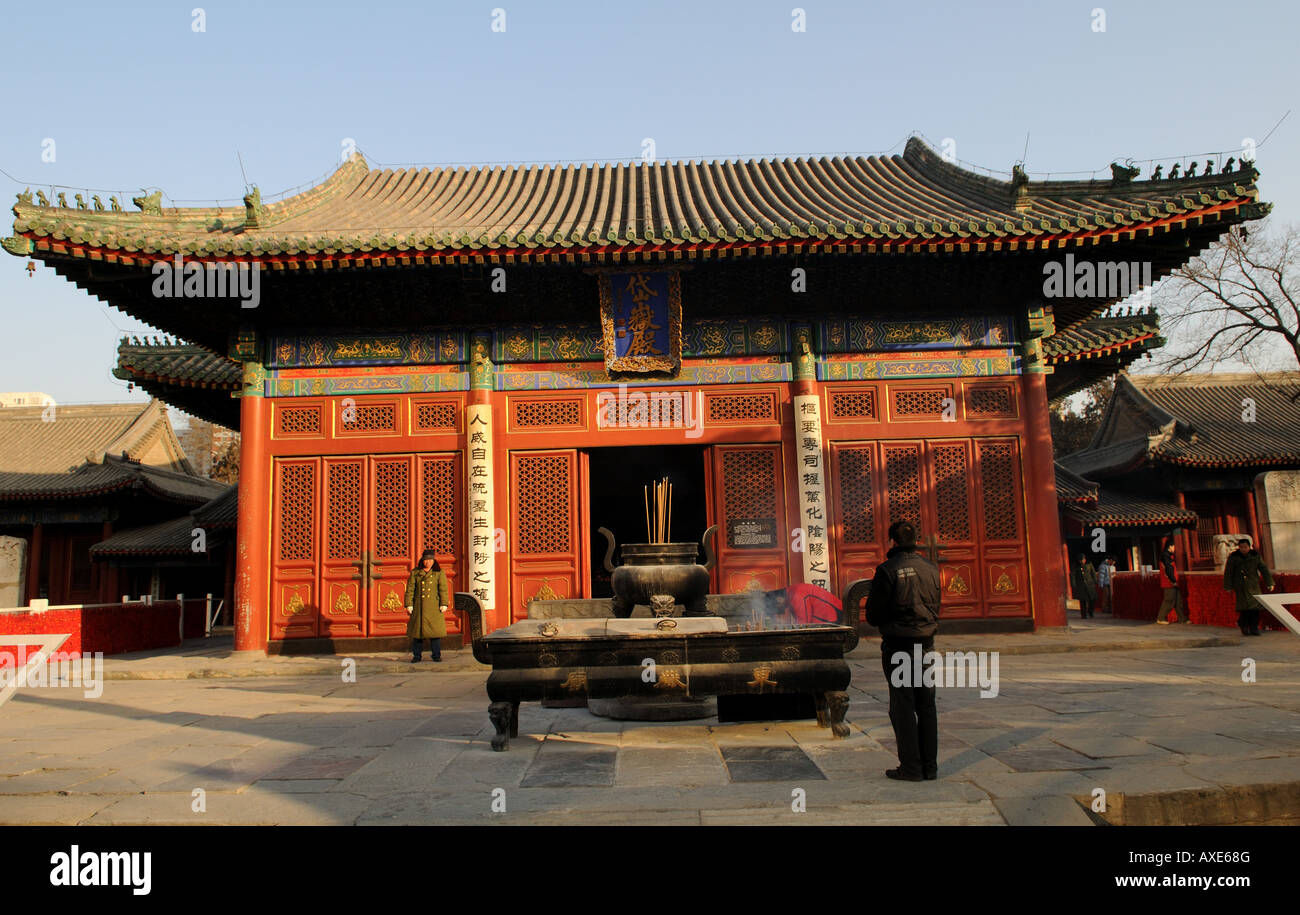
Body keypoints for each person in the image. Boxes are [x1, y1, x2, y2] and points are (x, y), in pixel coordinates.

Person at [865, 520, 941, 782]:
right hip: (926, 645)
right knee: (927, 706)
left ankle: (911, 767)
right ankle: (930, 767)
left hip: (899, 647)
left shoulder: (887, 570)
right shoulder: (931, 568)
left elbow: (874, 615)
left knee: (903, 706)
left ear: (892, 541)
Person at [405, 549, 449, 662]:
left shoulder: (439, 573)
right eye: (425, 560)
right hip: (419, 607)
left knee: (435, 633)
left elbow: (443, 589)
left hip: (434, 607)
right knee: (417, 634)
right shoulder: (415, 572)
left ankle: (436, 655)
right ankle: (417, 656)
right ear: (422, 560)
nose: (427, 562)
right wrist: (409, 604)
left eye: (430, 560)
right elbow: (410, 589)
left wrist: (444, 603)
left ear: (434, 561)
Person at [1223, 538, 1274, 636]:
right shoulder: (1234, 557)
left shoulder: (1255, 556)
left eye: (1245, 547)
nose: (1243, 549)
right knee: (1244, 609)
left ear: (1249, 547)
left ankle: (1254, 628)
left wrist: (1270, 583)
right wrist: (1228, 586)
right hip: (1240, 586)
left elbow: (1264, 569)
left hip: (1253, 586)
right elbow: (1228, 572)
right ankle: (1244, 626)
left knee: (1255, 609)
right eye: (1241, 547)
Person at [1156, 540, 1187, 624]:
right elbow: (1169, 569)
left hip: (1172, 581)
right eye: (1173, 546)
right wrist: (1173, 580)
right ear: (1170, 546)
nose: (1174, 548)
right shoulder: (1165, 556)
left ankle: (1182, 619)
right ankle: (1161, 618)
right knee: (1169, 600)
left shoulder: (1168, 555)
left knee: (1178, 601)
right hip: (1169, 582)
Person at [1072, 554, 1098, 619]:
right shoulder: (1075, 566)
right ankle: (1084, 615)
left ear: (1085, 559)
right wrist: (1074, 584)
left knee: (1092, 599)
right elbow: (1073, 576)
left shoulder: (1089, 564)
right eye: (1080, 560)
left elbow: (1093, 573)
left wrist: (1095, 581)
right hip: (1081, 585)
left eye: (1083, 560)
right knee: (1082, 600)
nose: (1082, 561)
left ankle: (1090, 611)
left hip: (1090, 584)